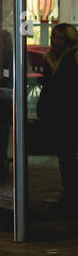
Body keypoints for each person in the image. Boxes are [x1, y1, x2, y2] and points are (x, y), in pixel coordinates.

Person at [39, 23, 78, 207]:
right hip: (57, 113)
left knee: (69, 154)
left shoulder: (74, 56)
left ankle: (71, 194)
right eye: (53, 37)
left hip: (71, 112)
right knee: (64, 154)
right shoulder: (49, 57)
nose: (54, 40)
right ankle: (69, 192)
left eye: (59, 37)